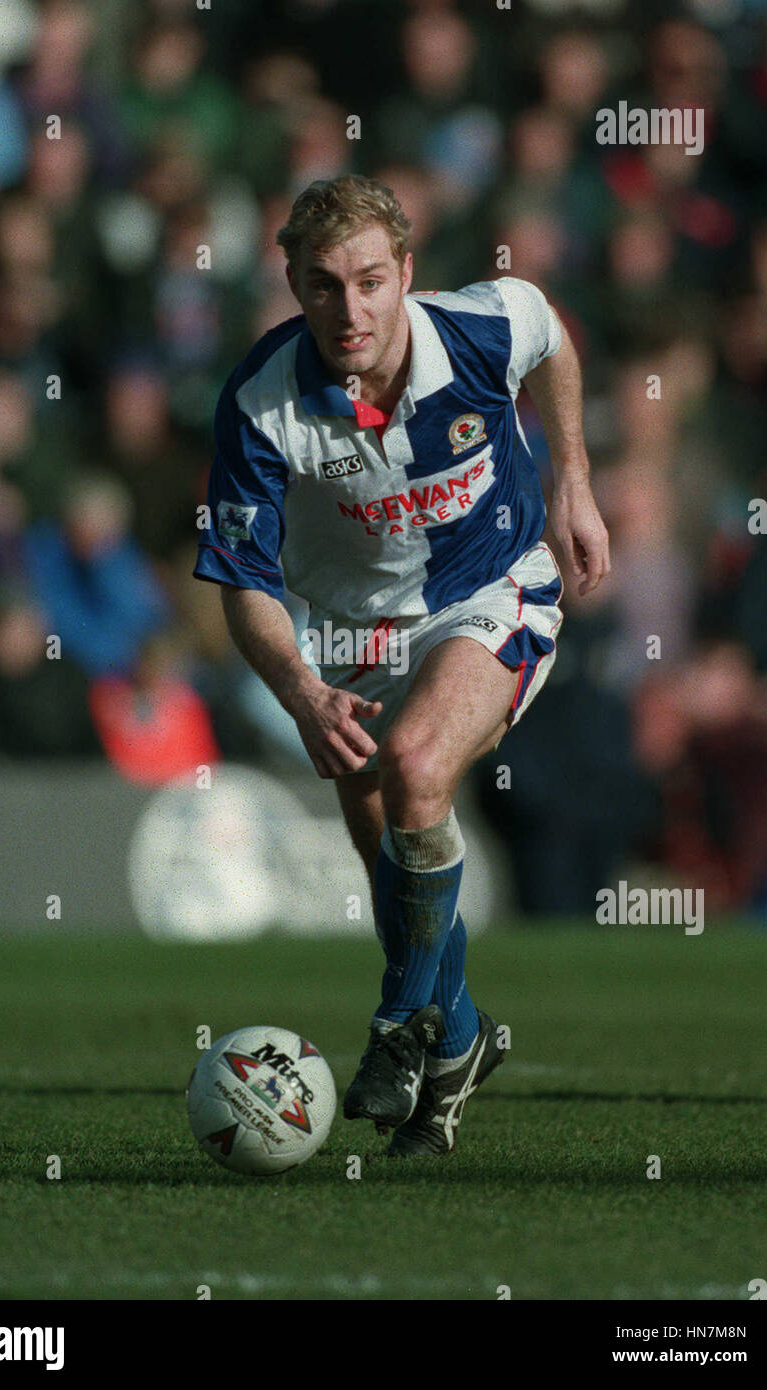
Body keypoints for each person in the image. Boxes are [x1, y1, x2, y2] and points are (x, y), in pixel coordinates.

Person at [193, 175, 609, 1156]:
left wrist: (572, 481)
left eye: (370, 280)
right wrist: (297, 687)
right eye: (325, 284)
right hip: (347, 637)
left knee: (417, 765)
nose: (351, 308)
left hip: (492, 587)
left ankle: (394, 1025)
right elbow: (240, 582)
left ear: (405, 275)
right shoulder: (259, 403)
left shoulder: (480, 327)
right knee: (386, 839)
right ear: (292, 283)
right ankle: (458, 1038)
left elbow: (549, 331)